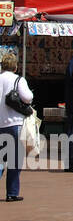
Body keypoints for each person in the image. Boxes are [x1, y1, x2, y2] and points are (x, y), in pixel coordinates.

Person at [0, 53, 35, 202]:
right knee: (15, 160)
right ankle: (12, 193)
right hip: (15, 123)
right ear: (15, 66)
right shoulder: (18, 79)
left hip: (0, 124)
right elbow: (27, 97)